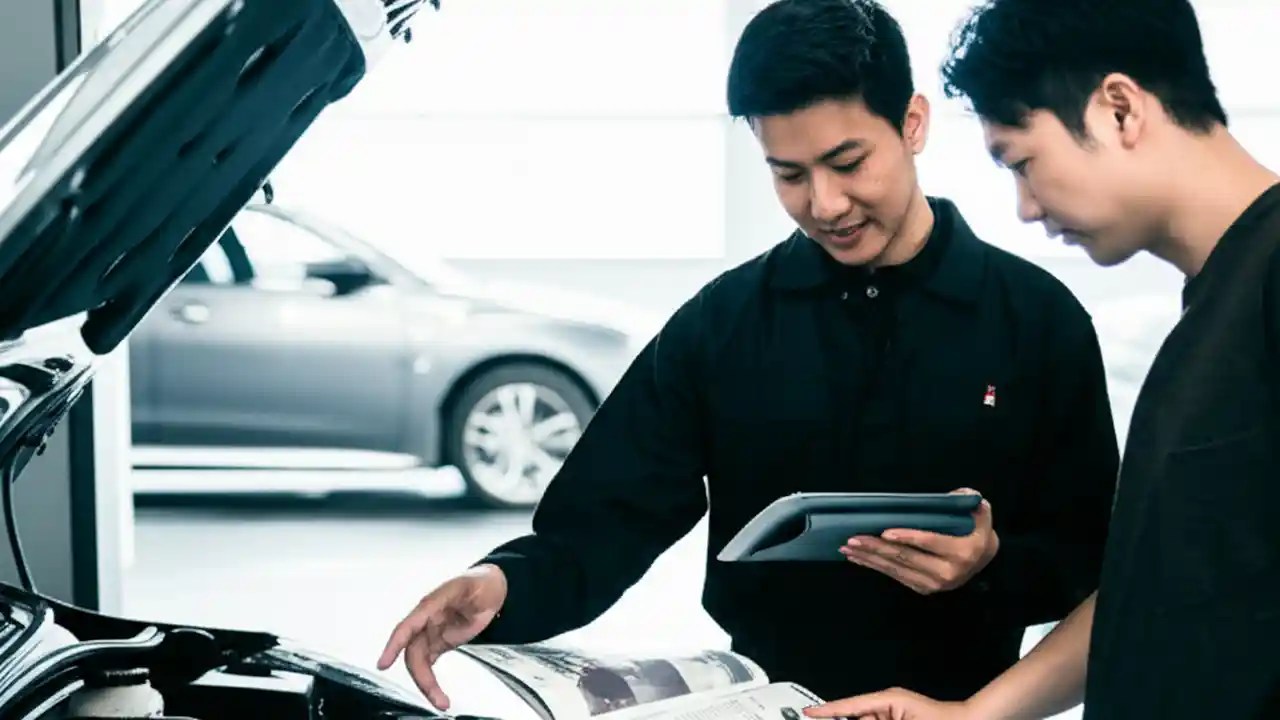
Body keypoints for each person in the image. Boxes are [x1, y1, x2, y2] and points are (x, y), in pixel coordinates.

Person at [377, 0, 1120, 708]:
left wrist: (990, 569)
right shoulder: (721, 323)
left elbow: (1095, 560)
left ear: (913, 124)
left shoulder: (1037, 321)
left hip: (962, 709)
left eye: (848, 161)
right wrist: (500, 585)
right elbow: (603, 522)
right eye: (788, 174)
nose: (824, 204)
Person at [802, 1, 1280, 718]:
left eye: (1022, 162)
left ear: (1120, 109)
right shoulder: (1214, 311)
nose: (1025, 207)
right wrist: (972, 715)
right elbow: (1151, 588)